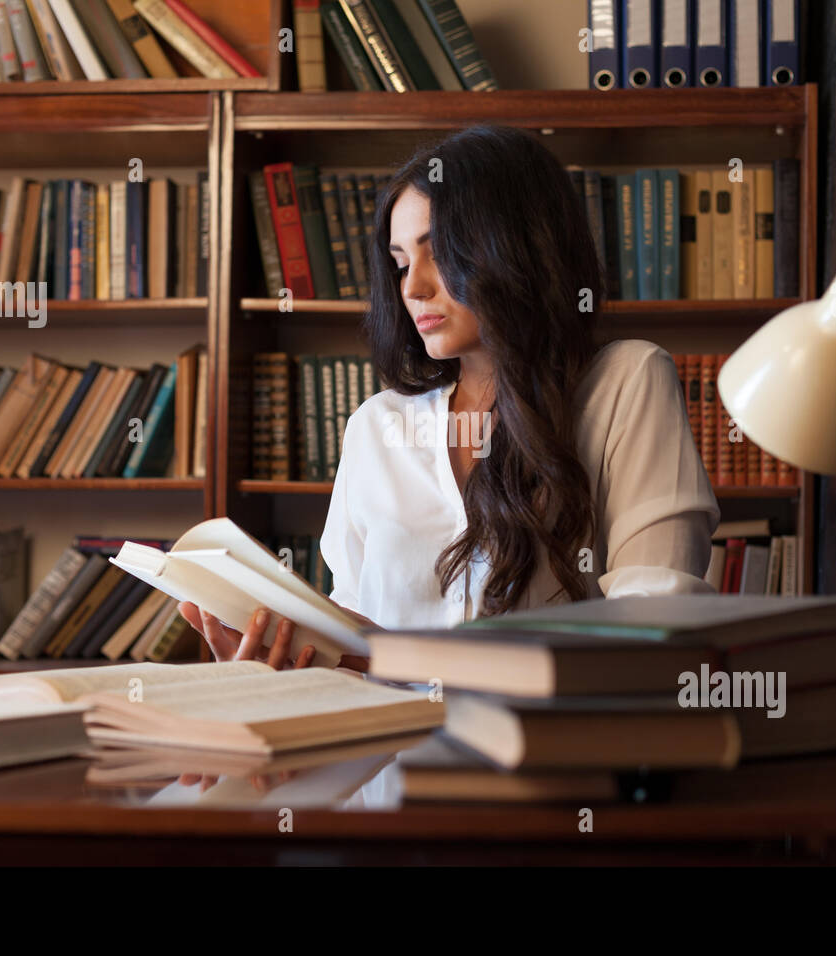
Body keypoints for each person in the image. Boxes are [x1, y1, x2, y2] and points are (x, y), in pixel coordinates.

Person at [180, 124, 719, 670]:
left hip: (547, 750)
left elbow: (654, 630)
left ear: (521, 246)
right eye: (400, 263)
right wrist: (283, 665)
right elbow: (352, 646)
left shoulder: (625, 382)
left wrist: (398, 656)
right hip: (388, 754)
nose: (412, 287)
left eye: (438, 253)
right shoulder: (376, 425)